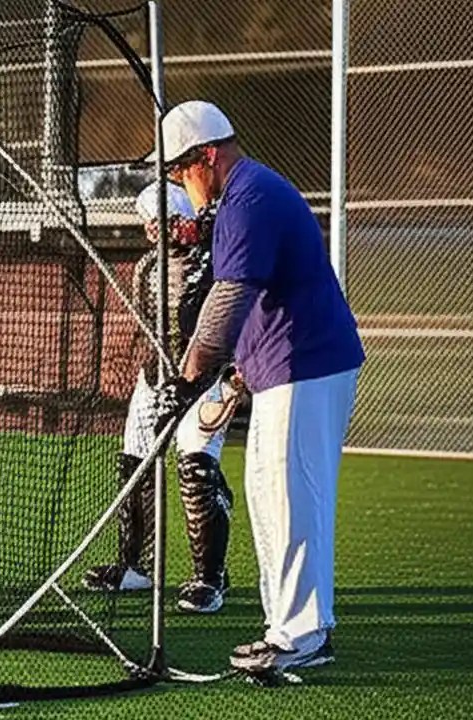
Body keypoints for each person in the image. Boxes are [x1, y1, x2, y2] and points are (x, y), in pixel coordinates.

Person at [150, 101, 365, 673]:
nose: (177, 181)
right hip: (281, 368)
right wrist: (235, 373)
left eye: (179, 170)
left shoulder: (249, 199)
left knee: (294, 498)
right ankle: (287, 627)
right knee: (267, 495)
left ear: (208, 157)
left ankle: (303, 635)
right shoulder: (243, 196)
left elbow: (229, 301)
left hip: (307, 365)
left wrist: (188, 378)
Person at [83, 182, 236, 614]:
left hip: (208, 380)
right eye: (149, 224)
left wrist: (231, 378)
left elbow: (230, 319)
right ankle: (136, 565)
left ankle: (210, 577)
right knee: (133, 464)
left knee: (196, 469)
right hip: (154, 379)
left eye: (165, 221)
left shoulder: (217, 258)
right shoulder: (147, 266)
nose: (155, 232)